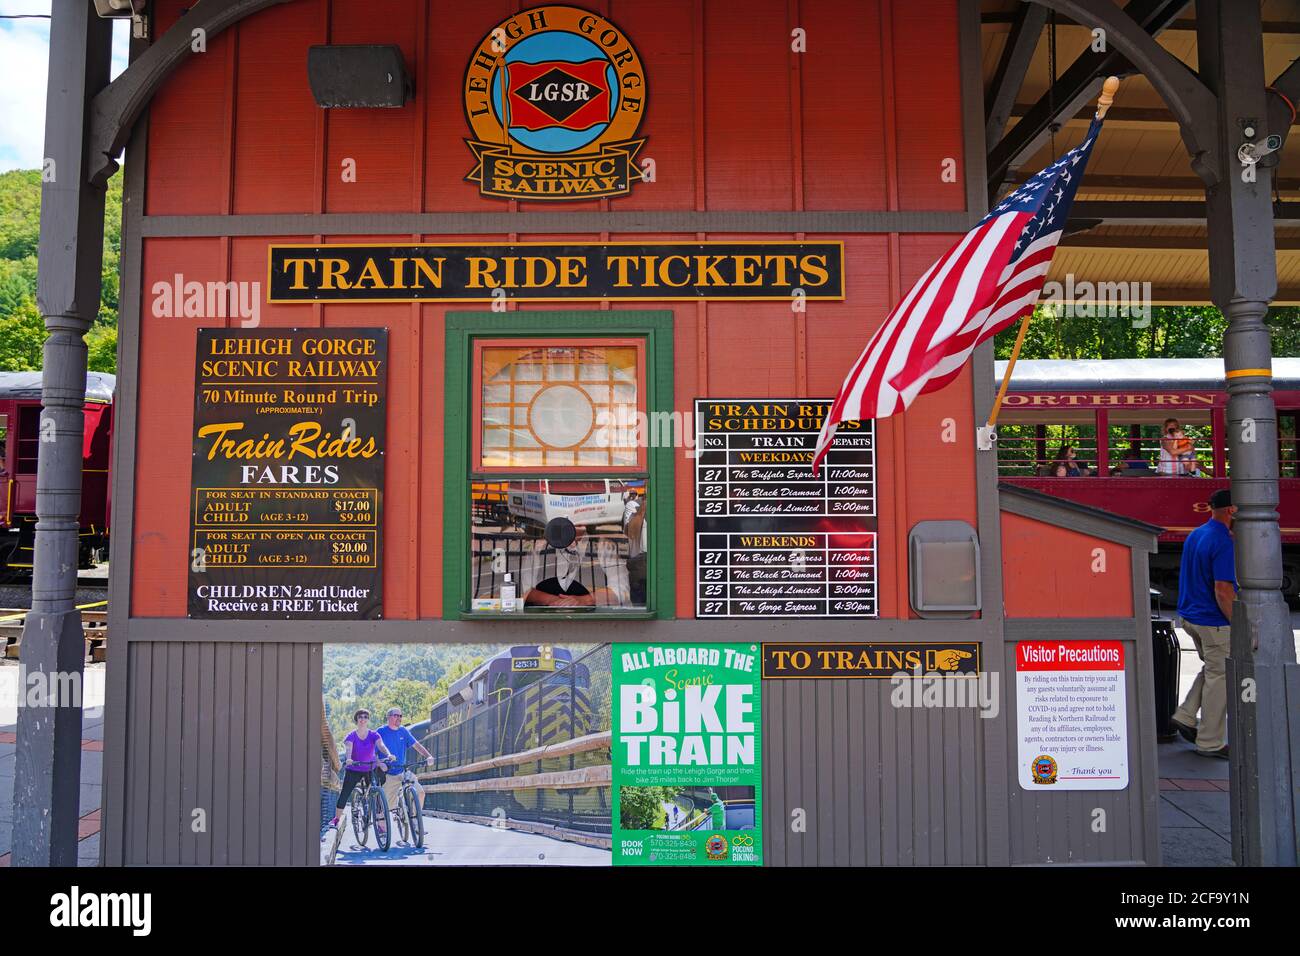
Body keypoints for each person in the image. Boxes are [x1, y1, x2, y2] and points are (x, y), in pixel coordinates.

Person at [1171, 488, 1237, 759]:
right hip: (1213, 621)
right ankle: (1210, 742)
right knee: (1220, 677)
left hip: (1190, 616)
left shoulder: (1197, 533)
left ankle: (1186, 715)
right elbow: (1223, 590)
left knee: (1213, 669)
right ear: (1232, 510)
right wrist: (1239, 623)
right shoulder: (1223, 541)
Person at [324, 709, 394, 833]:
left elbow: (381, 746)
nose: (363, 719)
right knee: (345, 793)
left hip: (369, 768)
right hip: (354, 768)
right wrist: (349, 758)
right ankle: (336, 819)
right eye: (360, 717)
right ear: (357, 719)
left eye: (365, 717)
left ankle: (380, 823)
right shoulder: (351, 735)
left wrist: (388, 754)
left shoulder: (374, 735)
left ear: (368, 719)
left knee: (377, 793)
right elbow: (349, 748)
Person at [376, 707, 433, 824]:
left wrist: (428, 756)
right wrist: (380, 763)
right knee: (386, 807)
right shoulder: (380, 732)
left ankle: (415, 820)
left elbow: (416, 745)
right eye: (396, 715)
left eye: (400, 716)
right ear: (389, 717)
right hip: (389, 774)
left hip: (403, 771)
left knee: (420, 792)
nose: (399, 718)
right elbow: (372, 752)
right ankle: (382, 828)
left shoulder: (403, 731)